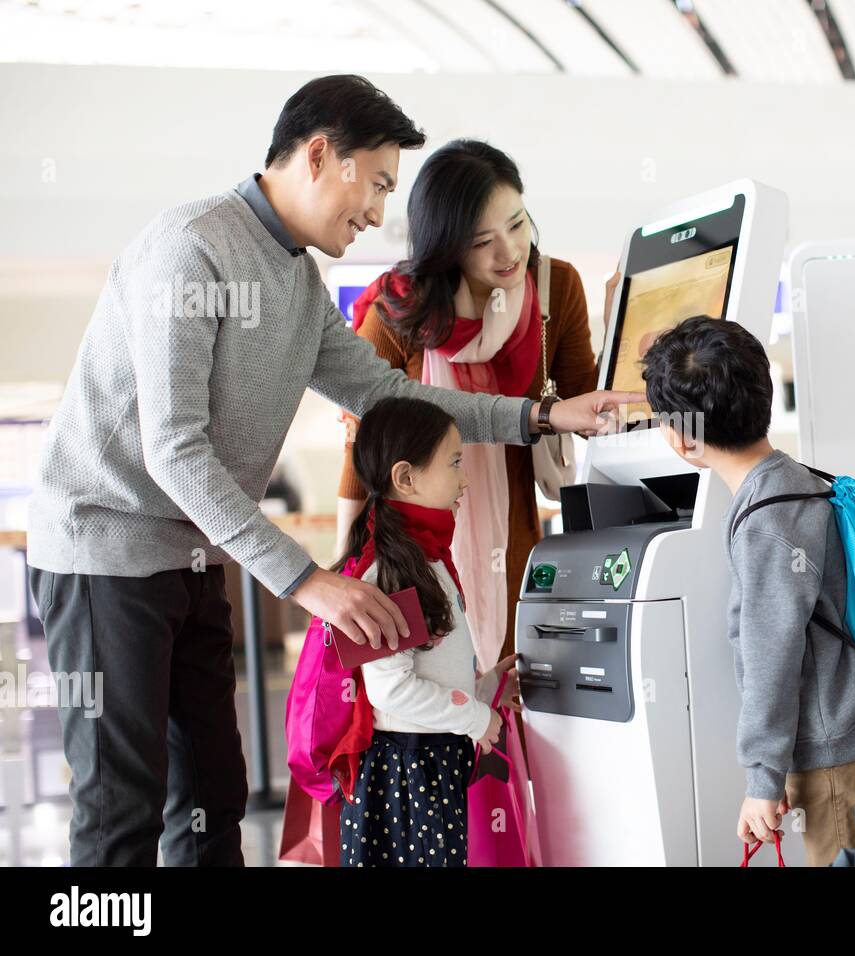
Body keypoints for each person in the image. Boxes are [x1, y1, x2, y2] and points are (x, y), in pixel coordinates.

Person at [25, 73, 639, 866]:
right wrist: (309, 581)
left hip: (194, 558)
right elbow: (172, 447)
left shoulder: (296, 282)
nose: (381, 212)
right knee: (121, 813)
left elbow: (392, 395)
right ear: (320, 156)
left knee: (212, 796)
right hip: (106, 556)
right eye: (377, 184)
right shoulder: (190, 248)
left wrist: (542, 416)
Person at [639, 315, 855, 867]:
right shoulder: (796, 481)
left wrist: (762, 779)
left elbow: (771, 655)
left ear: (681, 436)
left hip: (836, 754)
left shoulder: (767, 519)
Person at [337, 139, 607, 670]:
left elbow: (590, 404)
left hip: (518, 543)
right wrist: (343, 573)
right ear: (446, 247)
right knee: (426, 705)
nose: (509, 252)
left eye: (517, 223)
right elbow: (359, 444)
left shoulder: (555, 289)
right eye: (482, 241)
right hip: (408, 555)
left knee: (514, 695)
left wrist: (627, 331)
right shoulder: (399, 311)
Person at [333, 396, 517, 867]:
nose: (466, 477)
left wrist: (488, 685)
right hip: (406, 773)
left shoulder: (428, 559)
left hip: (429, 760)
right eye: (455, 462)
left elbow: (431, 675)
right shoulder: (388, 574)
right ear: (406, 477)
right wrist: (477, 719)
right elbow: (391, 691)